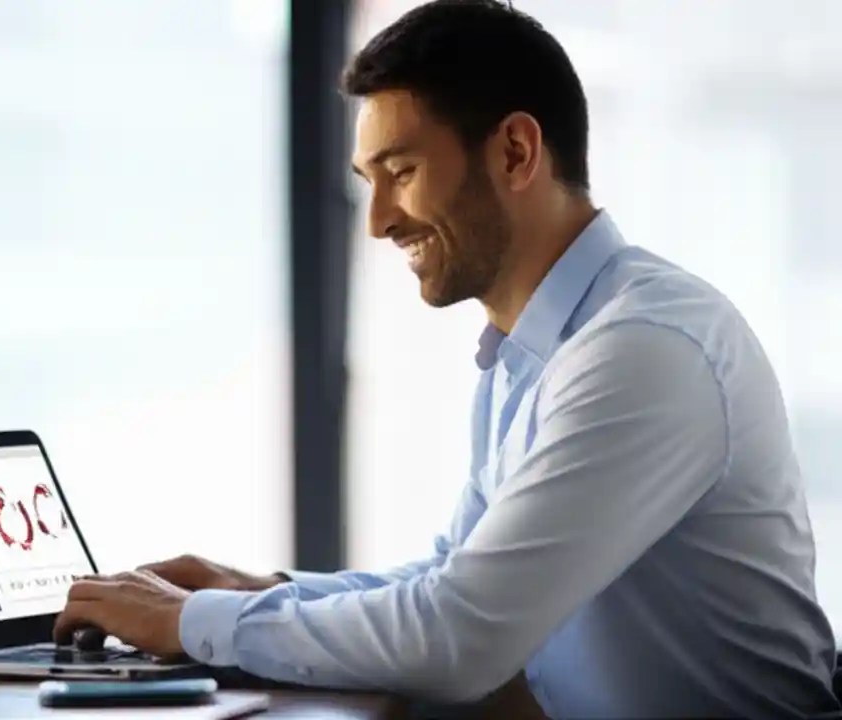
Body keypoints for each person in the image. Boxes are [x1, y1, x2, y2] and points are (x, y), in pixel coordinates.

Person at [53, 1, 841, 716]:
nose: (379, 222)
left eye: (402, 173)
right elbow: (452, 578)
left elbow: (457, 638)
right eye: (368, 181)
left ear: (515, 152)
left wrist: (190, 623)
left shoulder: (642, 352)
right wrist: (259, 591)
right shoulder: (532, 352)